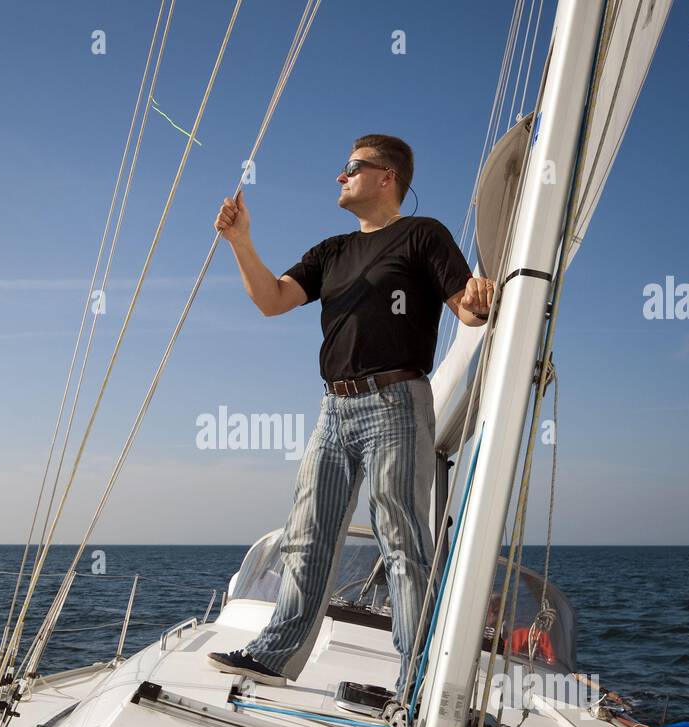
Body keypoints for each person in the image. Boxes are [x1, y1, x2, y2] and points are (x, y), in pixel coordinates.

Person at [207, 134, 495, 692]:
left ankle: (420, 678)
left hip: (397, 402)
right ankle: (273, 653)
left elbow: (467, 308)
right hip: (333, 407)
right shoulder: (331, 251)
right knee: (307, 534)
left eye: (351, 168)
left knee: (403, 540)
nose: (340, 177)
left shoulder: (422, 234)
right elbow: (271, 300)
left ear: (387, 176)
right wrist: (240, 240)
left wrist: (479, 300)